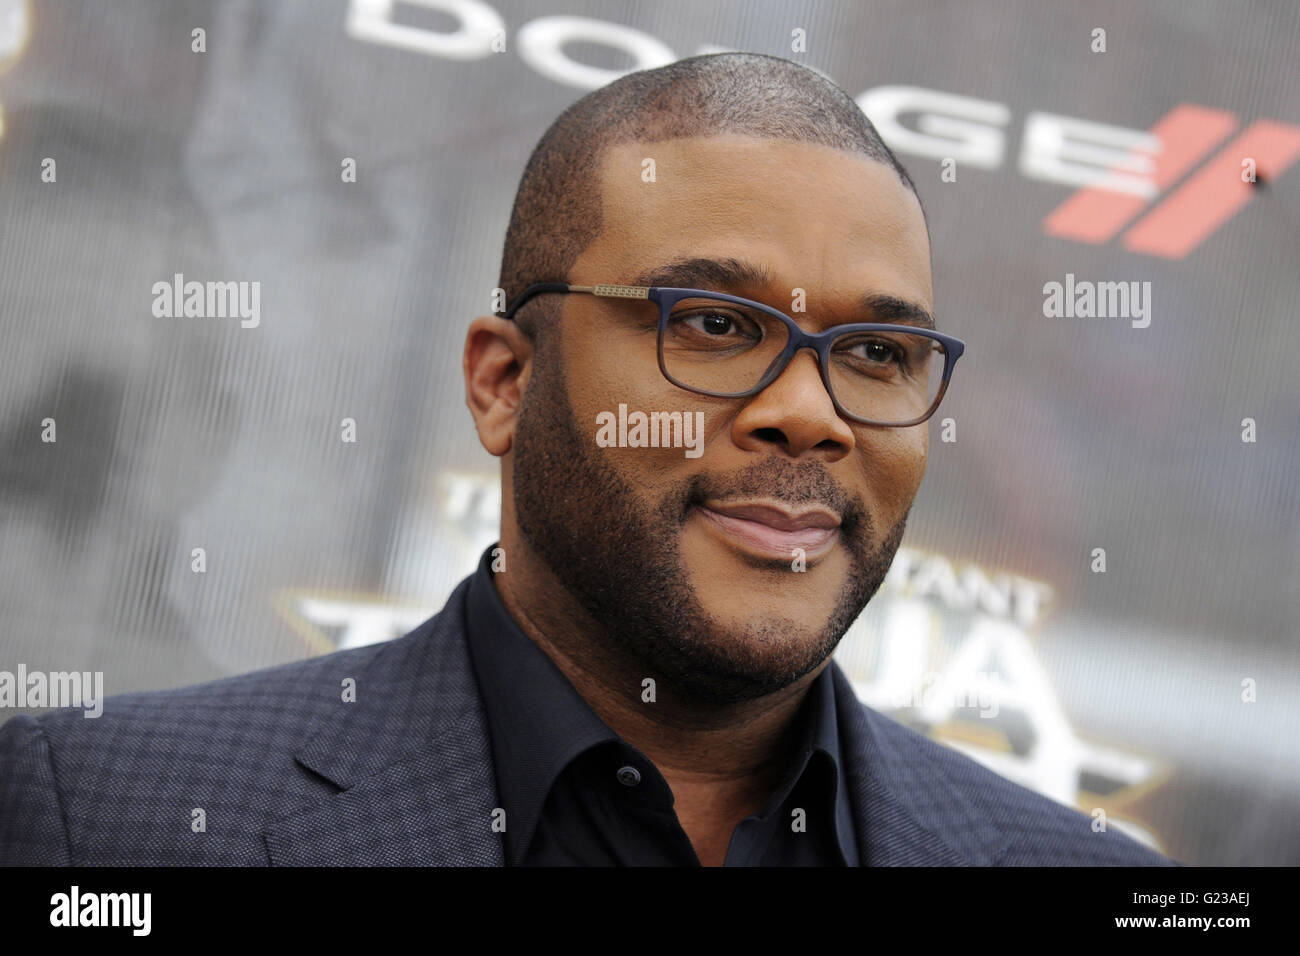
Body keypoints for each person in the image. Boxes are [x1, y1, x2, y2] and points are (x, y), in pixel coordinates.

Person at [0, 52, 1174, 866]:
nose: (811, 413)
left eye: (876, 350)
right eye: (712, 323)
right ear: (504, 381)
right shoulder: (103, 812)